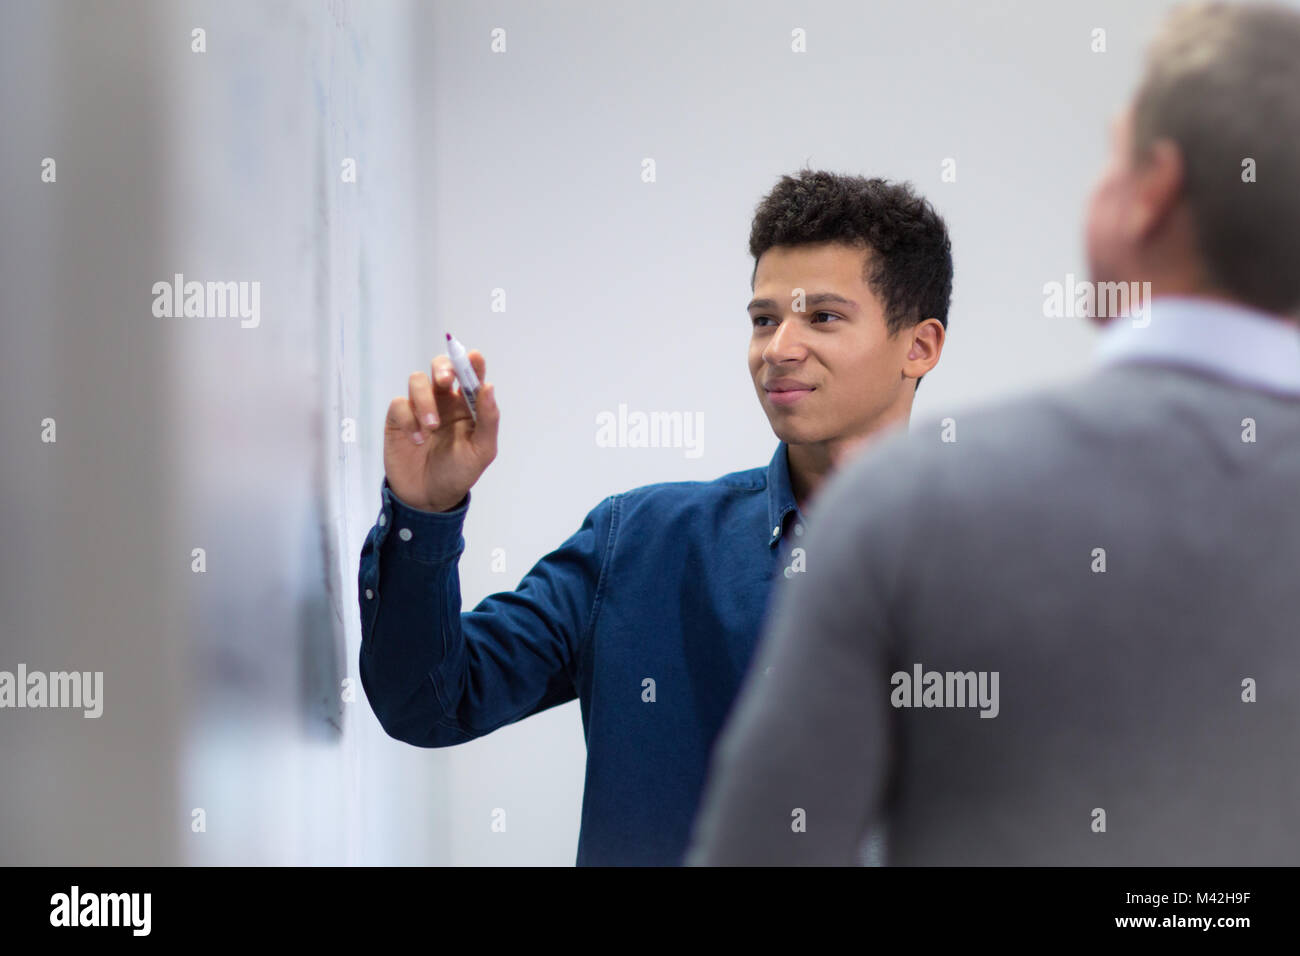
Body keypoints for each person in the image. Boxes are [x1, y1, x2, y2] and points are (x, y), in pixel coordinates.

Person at [686, 1, 1300, 866]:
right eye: (765, 317)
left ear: (1152, 191)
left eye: (1112, 156)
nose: (781, 349)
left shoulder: (907, 506)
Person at [358, 170, 952, 865]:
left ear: (919, 346)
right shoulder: (635, 544)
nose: (778, 349)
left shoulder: (999, 572)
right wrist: (424, 515)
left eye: (822, 317)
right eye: (763, 319)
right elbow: (428, 703)